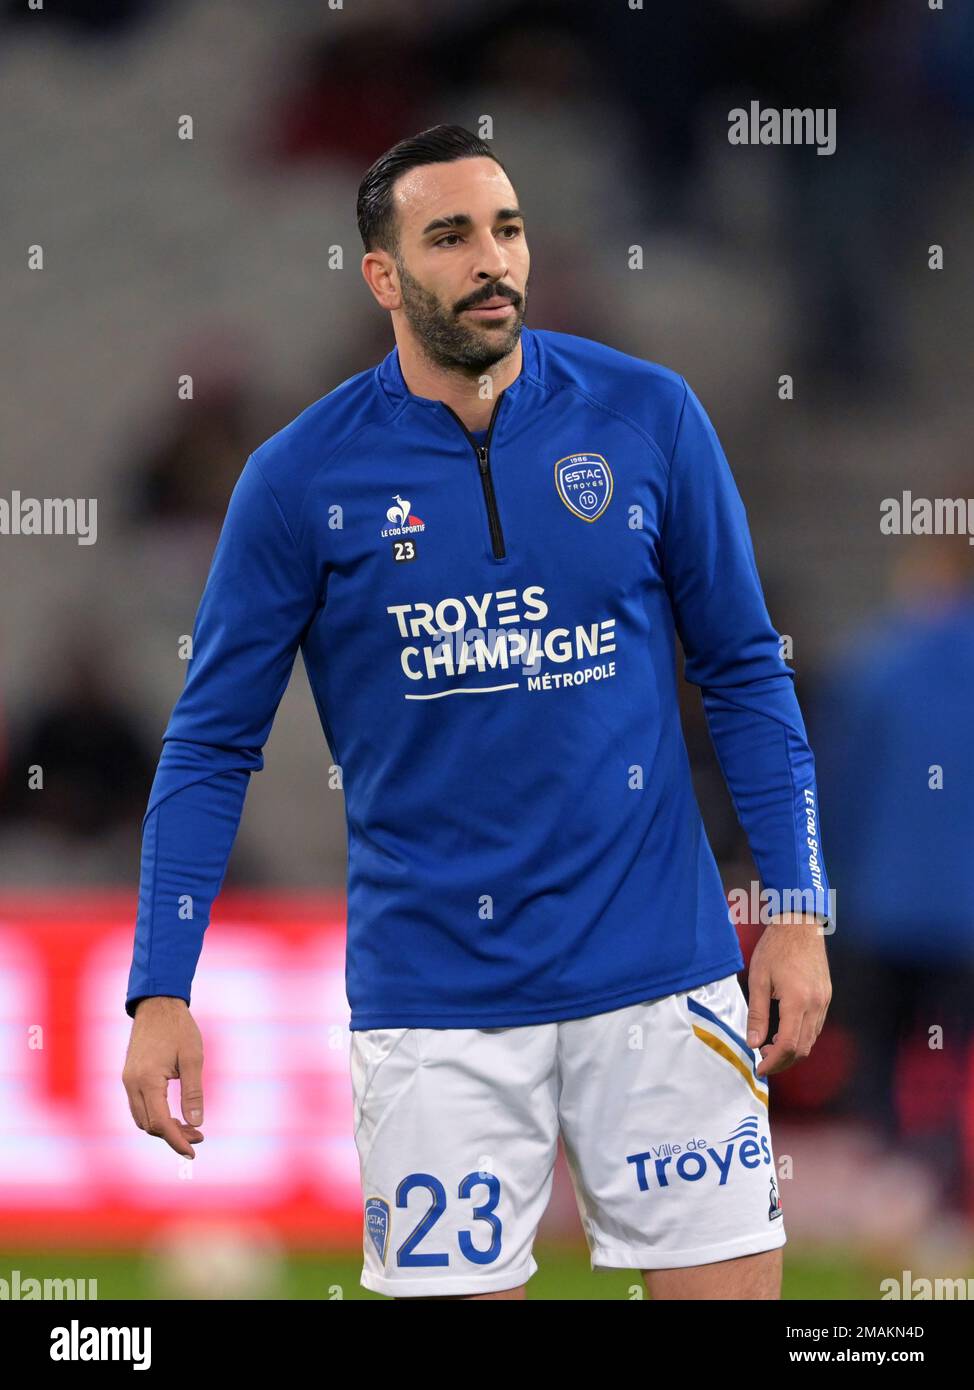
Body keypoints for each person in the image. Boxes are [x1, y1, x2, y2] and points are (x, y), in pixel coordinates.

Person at [122, 125, 832, 1301]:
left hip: (662, 977)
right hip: (436, 1009)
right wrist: (161, 987)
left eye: (505, 229)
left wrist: (797, 911)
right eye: (450, 236)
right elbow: (208, 746)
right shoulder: (298, 482)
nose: (492, 260)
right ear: (384, 277)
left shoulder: (647, 418)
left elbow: (747, 672)